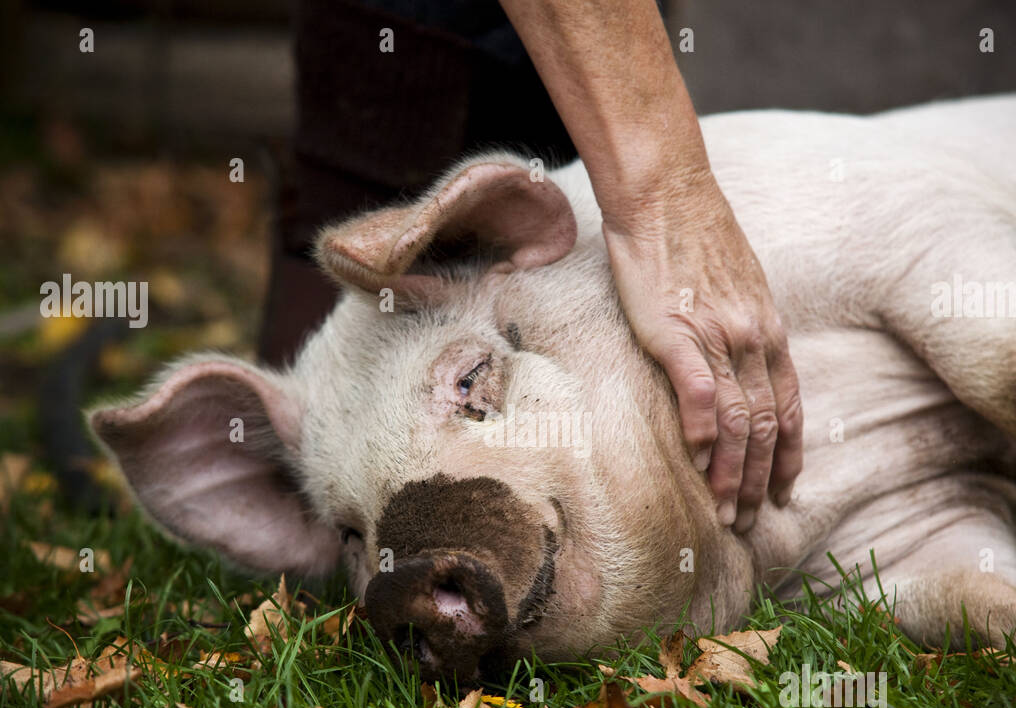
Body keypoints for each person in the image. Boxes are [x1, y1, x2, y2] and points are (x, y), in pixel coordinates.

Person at [263, 0, 802, 532]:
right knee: (313, 455)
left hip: (533, 154)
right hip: (399, 105)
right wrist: (657, 194)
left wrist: (664, 199)